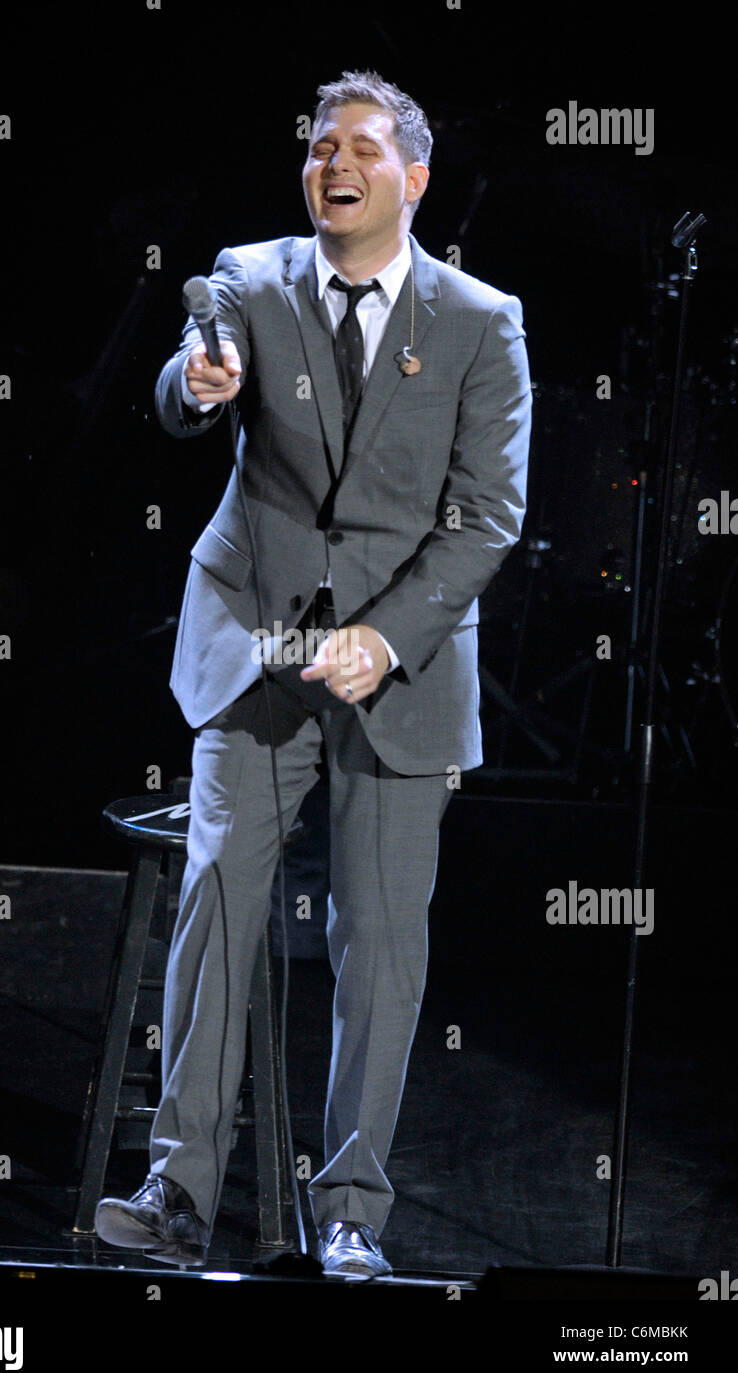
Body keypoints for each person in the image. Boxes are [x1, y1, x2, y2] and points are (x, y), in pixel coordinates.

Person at [95, 69, 531, 1276]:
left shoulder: (479, 320)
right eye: (318, 146)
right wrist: (194, 383)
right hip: (254, 643)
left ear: (415, 177)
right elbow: (192, 379)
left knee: (379, 944)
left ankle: (348, 1213)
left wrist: (385, 635)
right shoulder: (249, 276)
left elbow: (488, 517)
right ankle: (178, 1187)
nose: (333, 163)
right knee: (218, 908)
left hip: (399, 672)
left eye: (361, 147)